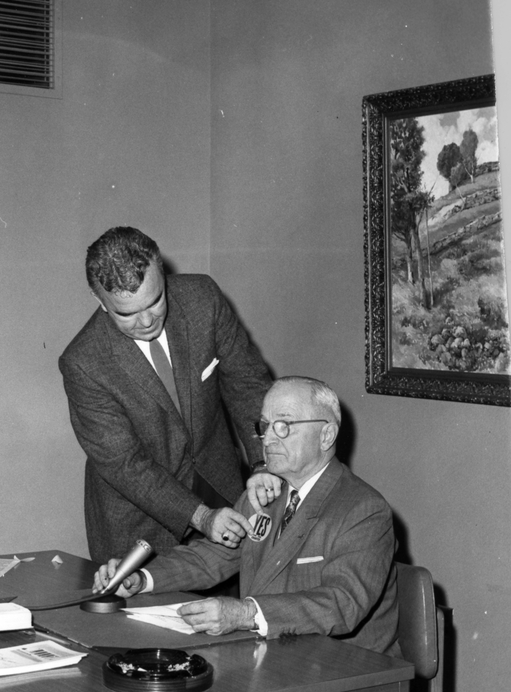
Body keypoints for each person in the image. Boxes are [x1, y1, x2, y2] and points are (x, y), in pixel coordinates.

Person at [94, 376, 401, 655]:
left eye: (284, 426)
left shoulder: (363, 509)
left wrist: (245, 614)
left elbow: (341, 603)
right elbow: (210, 557)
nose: (267, 440)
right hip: (272, 655)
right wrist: (141, 578)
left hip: (344, 670)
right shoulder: (265, 493)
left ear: (326, 435)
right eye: (264, 426)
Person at [59, 226, 280, 563]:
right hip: (139, 521)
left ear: (162, 272)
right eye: (127, 313)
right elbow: (125, 465)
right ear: (98, 300)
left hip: (221, 485)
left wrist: (264, 463)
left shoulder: (202, 299)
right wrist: (202, 517)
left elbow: (247, 383)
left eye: (155, 301)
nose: (147, 321)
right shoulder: (84, 363)